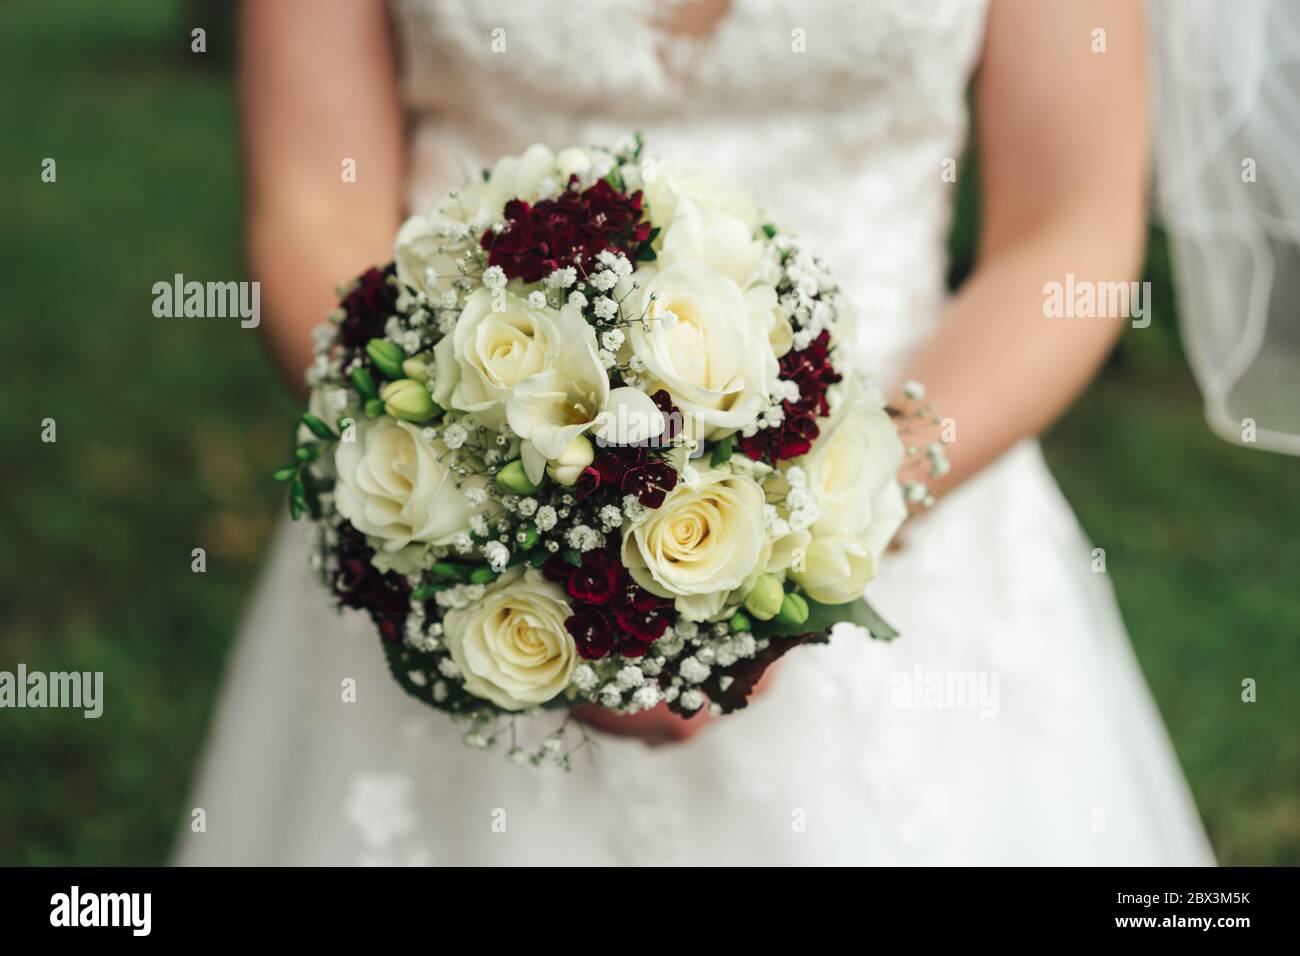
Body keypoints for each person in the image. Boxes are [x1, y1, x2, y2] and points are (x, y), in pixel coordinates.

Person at [177, 0, 1213, 865]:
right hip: (465, 460)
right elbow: (315, 201)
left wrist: (835, 517)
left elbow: (1066, 229)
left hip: (928, 462)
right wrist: (484, 509)